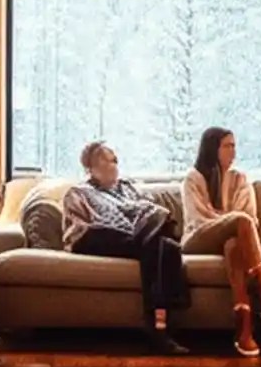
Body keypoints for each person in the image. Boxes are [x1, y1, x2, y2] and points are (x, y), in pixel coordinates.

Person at [180, 127, 261, 357]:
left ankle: (244, 330)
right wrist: (230, 220)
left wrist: (232, 224)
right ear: (212, 148)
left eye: (234, 145)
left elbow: (249, 219)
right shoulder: (192, 179)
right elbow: (198, 218)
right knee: (239, 222)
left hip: (232, 237)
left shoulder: (240, 178)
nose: (233, 151)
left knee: (234, 244)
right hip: (197, 239)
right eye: (227, 145)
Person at [62, 141, 190, 355]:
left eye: (116, 159)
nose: (116, 163)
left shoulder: (127, 188)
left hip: (133, 237)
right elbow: (81, 227)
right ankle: (160, 328)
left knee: (162, 246)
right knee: (157, 241)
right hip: (95, 236)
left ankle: (159, 326)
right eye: (109, 160)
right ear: (91, 168)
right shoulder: (79, 192)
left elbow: (147, 210)